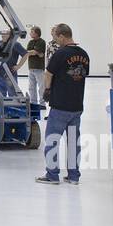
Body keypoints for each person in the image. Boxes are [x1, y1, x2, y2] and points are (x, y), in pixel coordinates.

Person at [36, 23, 90, 186]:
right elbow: (82, 74)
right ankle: (74, 176)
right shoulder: (84, 55)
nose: (55, 41)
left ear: (62, 36)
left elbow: (48, 73)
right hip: (77, 106)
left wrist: (47, 89)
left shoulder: (60, 54)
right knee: (73, 142)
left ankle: (52, 175)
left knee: (52, 140)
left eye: (55, 38)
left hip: (60, 105)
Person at [24, 26, 46, 106]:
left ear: (37, 33)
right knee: (31, 87)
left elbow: (39, 53)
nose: (30, 33)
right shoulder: (30, 42)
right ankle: (33, 103)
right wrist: (34, 52)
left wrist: (34, 52)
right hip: (31, 68)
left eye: (32, 32)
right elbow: (27, 52)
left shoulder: (42, 42)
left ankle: (42, 104)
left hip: (39, 68)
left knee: (41, 87)